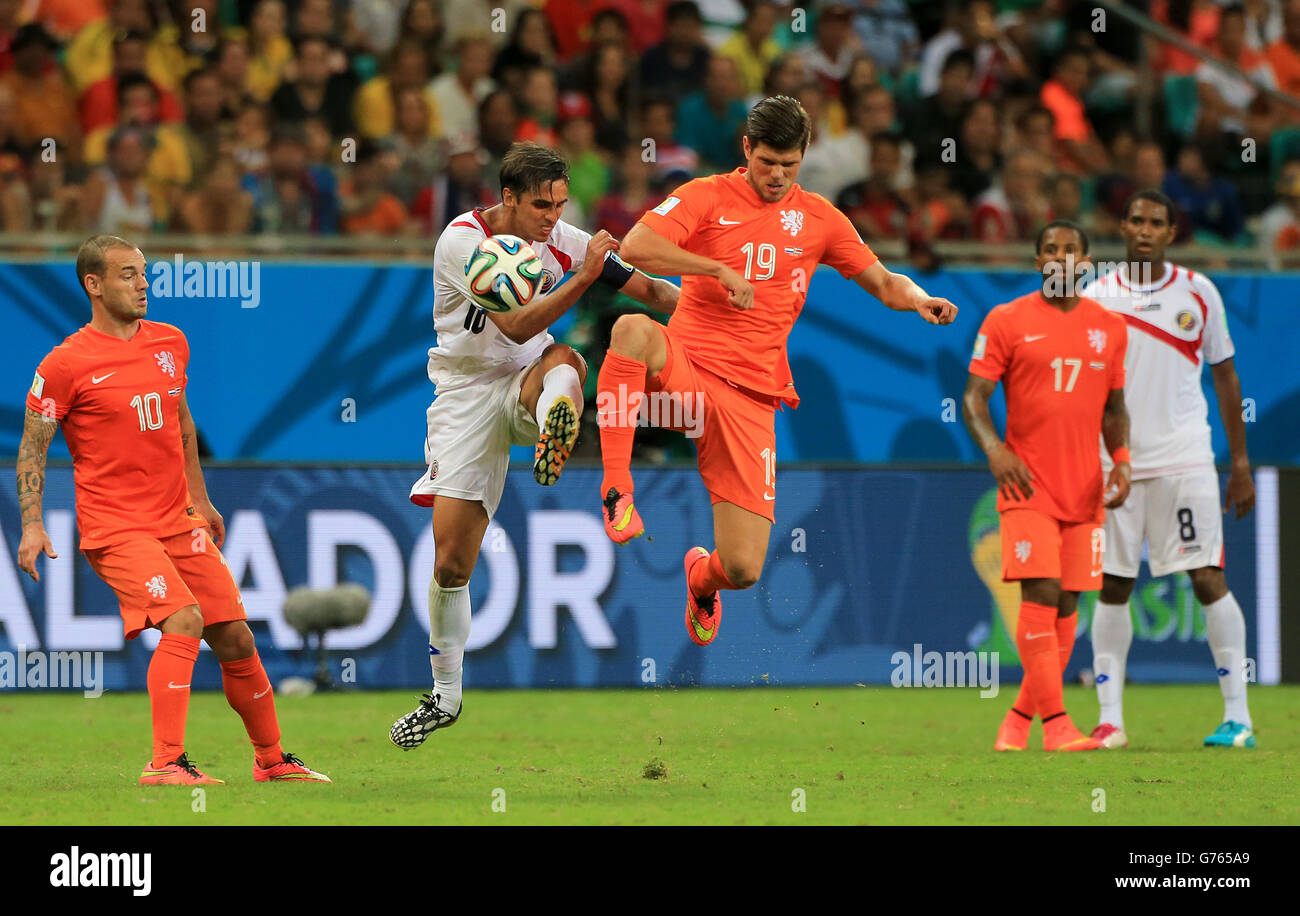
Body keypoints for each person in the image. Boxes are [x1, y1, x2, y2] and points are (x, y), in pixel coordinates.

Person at [598, 95, 957, 647]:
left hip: (751, 397)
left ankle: (700, 578)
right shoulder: (706, 195)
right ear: (747, 148)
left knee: (742, 568)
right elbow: (638, 245)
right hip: (688, 366)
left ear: (805, 155)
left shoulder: (819, 219)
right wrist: (714, 268)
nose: (777, 175)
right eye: (767, 162)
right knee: (630, 330)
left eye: (789, 165)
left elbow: (885, 282)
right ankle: (617, 487)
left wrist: (919, 298)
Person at [389, 142, 679, 749]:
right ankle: (445, 696)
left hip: (527, 374)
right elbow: (516, 321)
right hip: (464, 392)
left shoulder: (564, 239)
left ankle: (556, 422)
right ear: (509, 199)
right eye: (542, 205)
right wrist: (584, 273)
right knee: (450, 564)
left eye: (560, 204)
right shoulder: (461, 242)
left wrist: (724, 316)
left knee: (567, 358)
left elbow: (651, 291)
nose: (553, 216)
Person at [15, 234, 329, 785]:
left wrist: (201, 502)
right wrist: (33, 523)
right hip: (116, 528)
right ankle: (165, 763)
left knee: (235, 637)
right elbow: (32, 446)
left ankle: (272, 759)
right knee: (184, 620)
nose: (144, 284)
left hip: (176, 520)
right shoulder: (64, 364)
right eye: (128, 275)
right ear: (93, 284)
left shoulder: (170, 342)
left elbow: (182, 427)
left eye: (144, 273)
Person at [1080, 190, 1258, 749]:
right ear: (1123, 226)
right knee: (1111, 585)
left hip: (1185, 459)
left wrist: (1242, 463)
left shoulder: (1198, 293)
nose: (1144, 230)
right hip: (1117, 465)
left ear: (1171, 232)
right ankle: (1111, 721)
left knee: (1207, 578)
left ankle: (1239, 718)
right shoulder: (1096, 295)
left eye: (1156, 222)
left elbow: (1226, 378)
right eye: (1135, 220)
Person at [962, 219, 1131, 752]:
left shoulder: (1110, 327)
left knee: (1067, 604)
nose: (1061, 258)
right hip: (1026, 484)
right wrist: (995, 449)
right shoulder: (1007, 320)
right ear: (1038, 263)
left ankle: (1016, 722)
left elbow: (1115, 408)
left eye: (1072, 250)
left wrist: (1122, 461)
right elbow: (972, 399)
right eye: (1051, 250)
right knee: (1040, 592)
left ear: (1086, 262)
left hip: (1085, 488)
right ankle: (1057, 726)